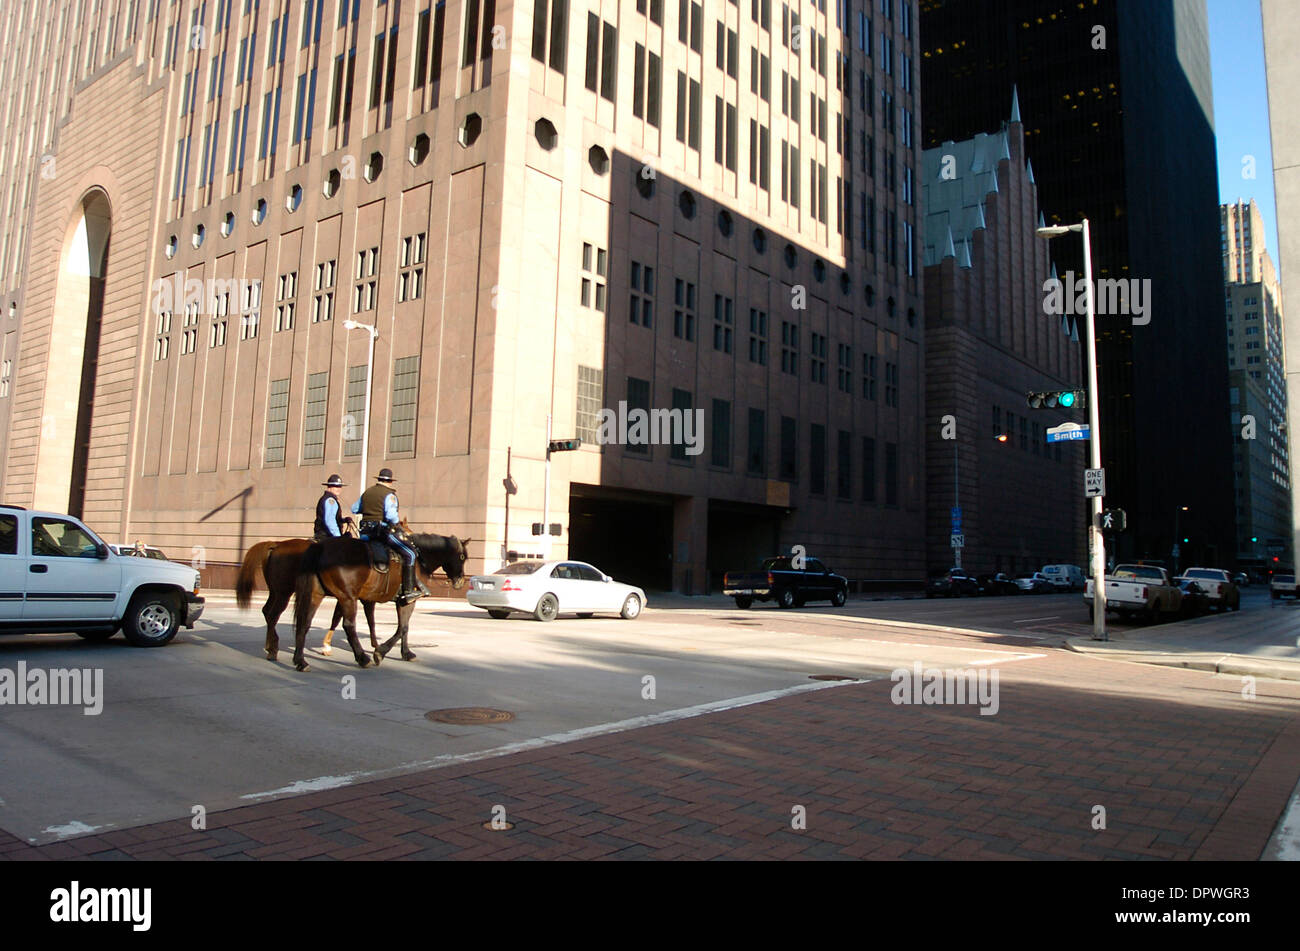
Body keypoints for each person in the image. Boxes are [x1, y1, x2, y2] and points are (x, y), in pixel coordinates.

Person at [352, 468, 428, 605]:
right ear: (390, 482)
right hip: (381, 532)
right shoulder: (389, 495)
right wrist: (397, 526)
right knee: (410, 553)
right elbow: (391, 516)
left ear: (379, 479)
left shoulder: (367, 493)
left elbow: (354, 509)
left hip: (364, 533)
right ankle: (409, 590)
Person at [313, 474, 355, 542]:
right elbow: (330, 521)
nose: (338, 489)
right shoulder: (330, 500)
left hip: (323, 534)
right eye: (335, 486)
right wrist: (338, 538)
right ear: (329, 487)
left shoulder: (327, 498)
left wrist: (343, 520)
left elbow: (332, 518)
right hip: (327, 536)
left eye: (340, 486)